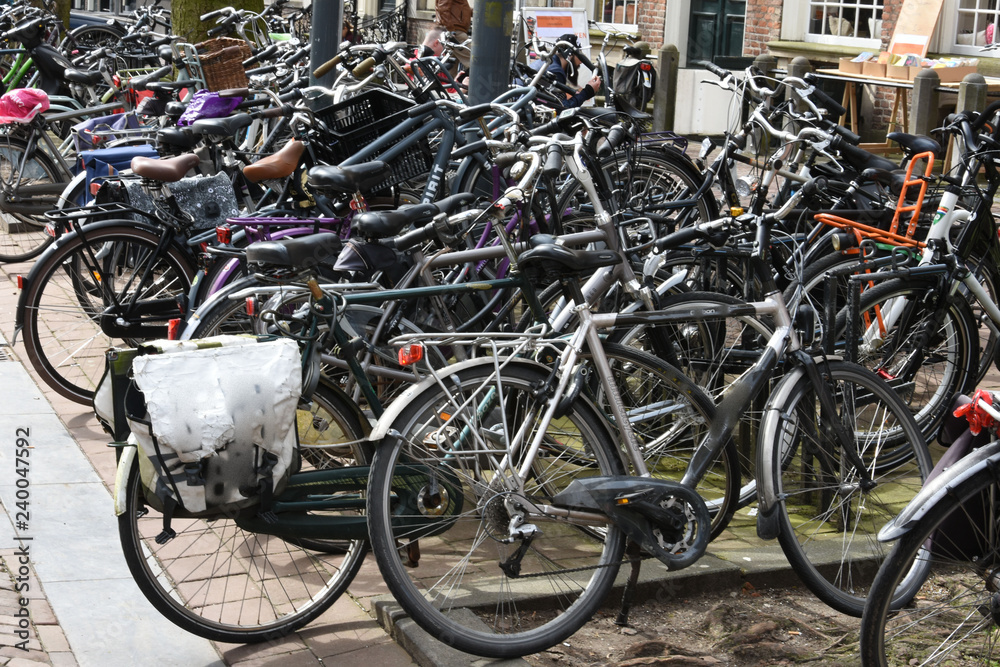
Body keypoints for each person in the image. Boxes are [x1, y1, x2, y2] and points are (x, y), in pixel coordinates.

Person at [532, 33, 600, 109]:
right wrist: (588, 92)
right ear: (569, 54)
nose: (581, 61)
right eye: (579, 56)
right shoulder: (556, 71)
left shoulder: (544, 63)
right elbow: (562, 108)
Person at [434, 0, 472, 68]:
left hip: (454, 31)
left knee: (451, 66)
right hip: (455, 32)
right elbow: (443, 8)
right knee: (474, 61)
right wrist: (450, 29)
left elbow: (461, 8)